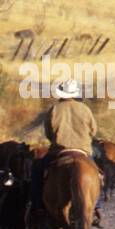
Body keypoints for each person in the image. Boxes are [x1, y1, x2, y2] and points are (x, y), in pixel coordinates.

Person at [31, 78, 97, 213]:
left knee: (37, 170)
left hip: (59, 151)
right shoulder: (85, 109)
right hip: (83, 149)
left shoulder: (54, 109)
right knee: (98, 173)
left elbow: (49, 132)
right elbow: (93, 130)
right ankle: (97, 205)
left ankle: (37, 206)